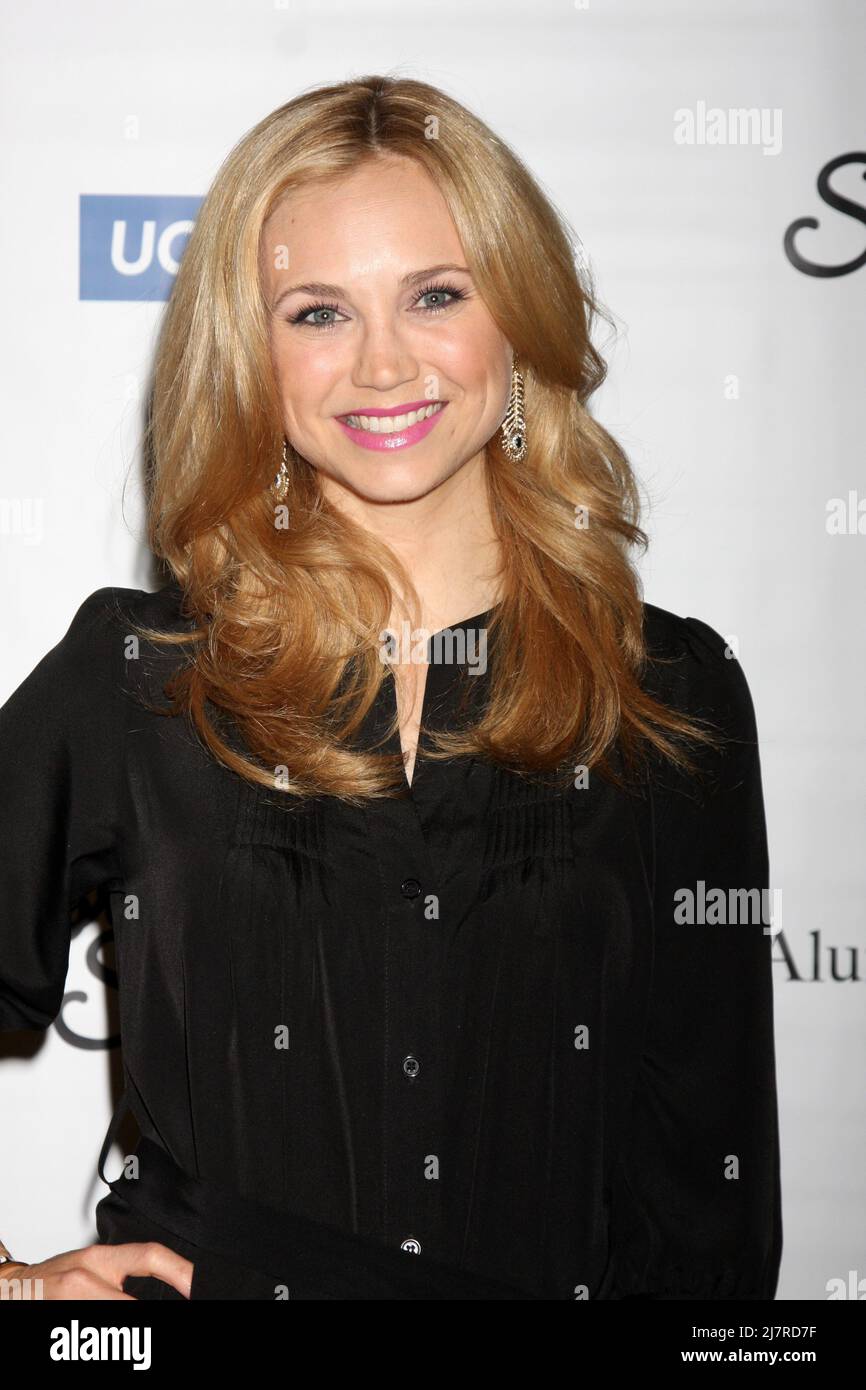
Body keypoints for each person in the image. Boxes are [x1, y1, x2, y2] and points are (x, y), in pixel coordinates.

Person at [0, 73, 781, 1300]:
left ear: (514, 317)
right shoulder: (142, 679)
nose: (380, 364)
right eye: (315, 312)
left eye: (433, 295)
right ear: (250, 357)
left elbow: (705, 1213)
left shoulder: (664, 692)